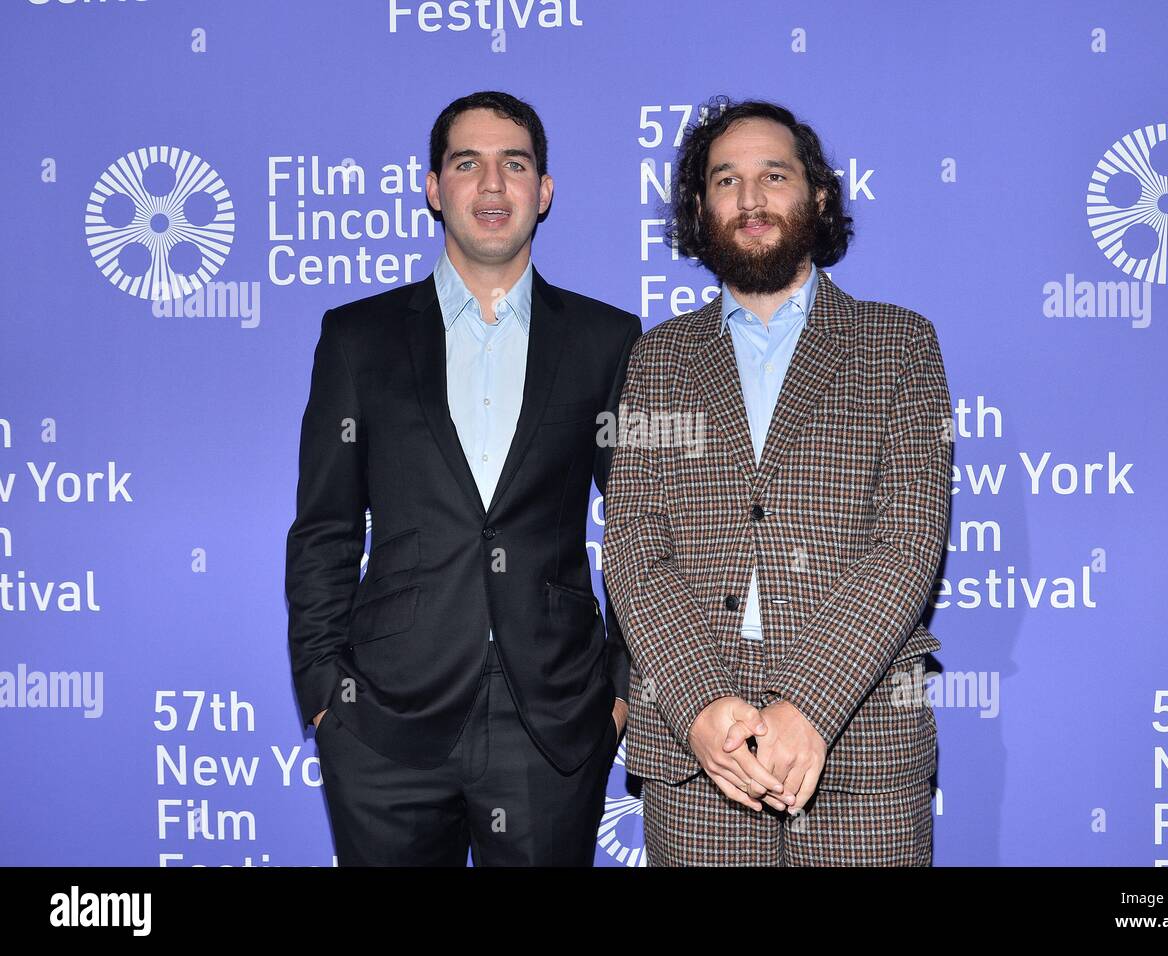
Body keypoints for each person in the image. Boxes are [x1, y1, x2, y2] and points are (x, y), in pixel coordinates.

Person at [285, 90, 639, 865]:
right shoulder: (357, 339)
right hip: (383, 725)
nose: (490, 185)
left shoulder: (605, 339)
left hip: (551, 720)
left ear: (543, 192)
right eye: (466, 163)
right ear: (433, 187)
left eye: (514, 165)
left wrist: (619, 692)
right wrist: (323, 695)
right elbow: (325, 528)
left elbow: (641, 526)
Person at [603, 97, 952, 866]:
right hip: (700, 760)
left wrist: (809, 707)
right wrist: (703, 708)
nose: (751, 199)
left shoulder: (899, 345)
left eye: (774, 176)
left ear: (818, 196)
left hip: (862, 749)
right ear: (701, 208)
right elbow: (631, 547)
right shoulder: (657, 358)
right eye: (726, 181)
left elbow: (908, 543)